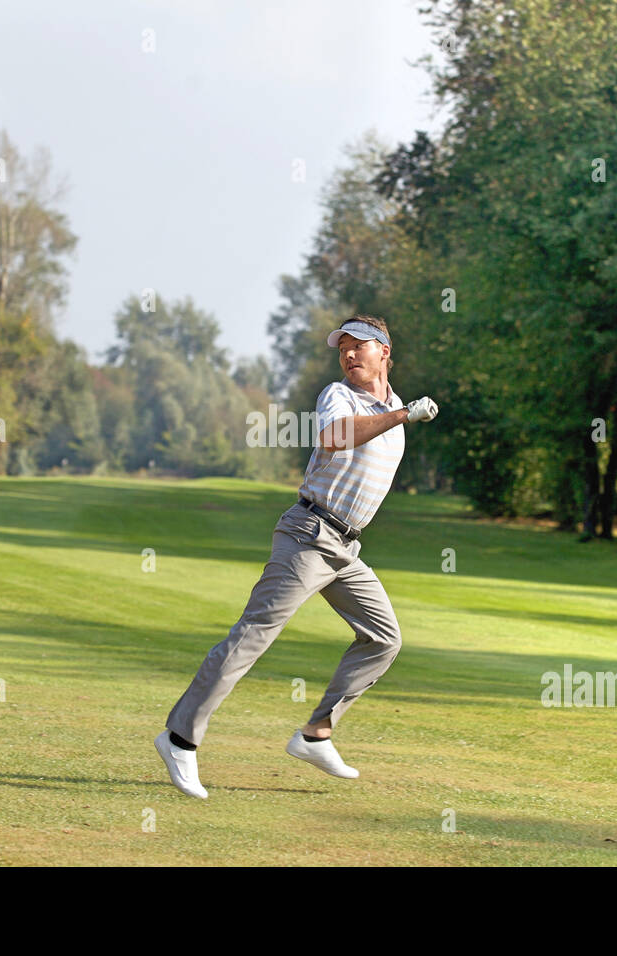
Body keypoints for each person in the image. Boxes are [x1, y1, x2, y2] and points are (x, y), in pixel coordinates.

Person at [156, 315, 438, 798]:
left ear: (385, 351)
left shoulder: (392, 406)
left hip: (346, 548)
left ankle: (316, 733)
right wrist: (402, 416)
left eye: (358, 347)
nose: (348, 356)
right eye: (342, 349)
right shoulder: (340, 397)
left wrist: (399, 412)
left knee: (383, 639)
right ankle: (179, 737)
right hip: (310, 533)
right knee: (252, 637)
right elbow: (335, 436)